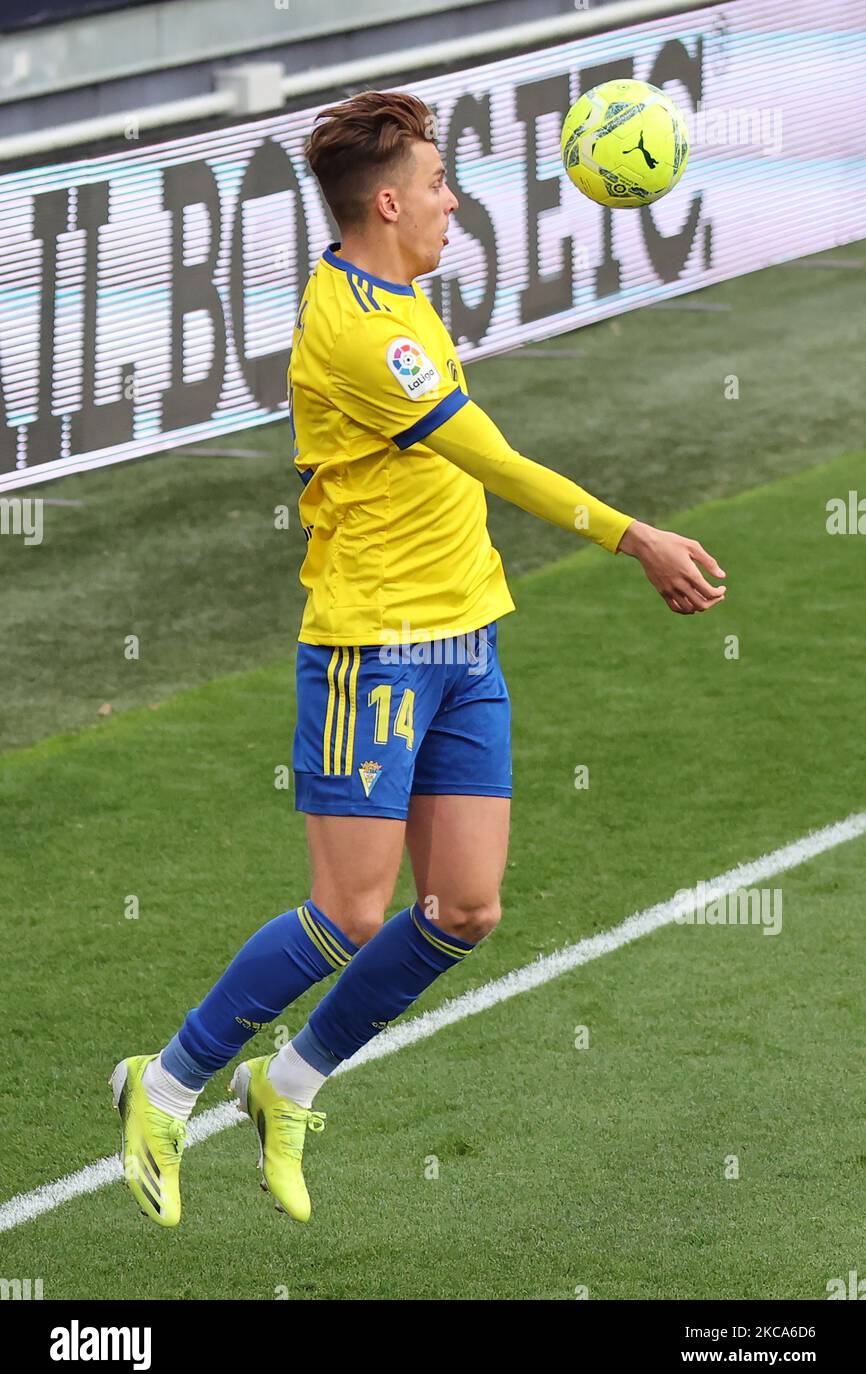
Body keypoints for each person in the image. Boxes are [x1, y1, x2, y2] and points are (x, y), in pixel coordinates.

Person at [111, 90, 726, 1227]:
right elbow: (488, 458)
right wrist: (631, 534)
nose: (454, 201)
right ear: (387, 202)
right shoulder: (361, 332)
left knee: (465, 905)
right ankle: (166, 1083)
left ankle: (286, 1085)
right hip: (375, 650)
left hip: (462, 640)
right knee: (346, 911)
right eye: (439, 185)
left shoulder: (396, 295)